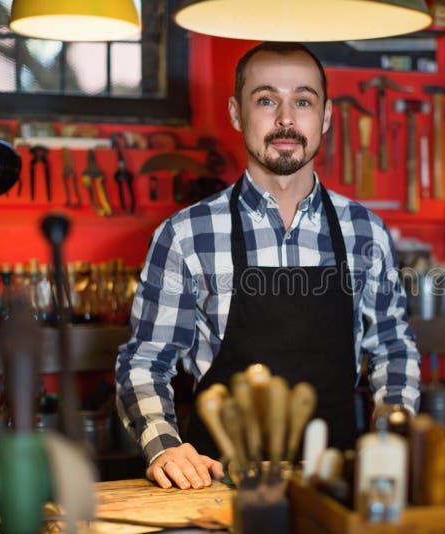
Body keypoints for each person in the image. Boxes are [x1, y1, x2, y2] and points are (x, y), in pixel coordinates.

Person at [116, 41, 421, 491]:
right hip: (218, 487)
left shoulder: (366, 231)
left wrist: (393, 434)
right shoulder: (185, 234)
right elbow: (145, 360)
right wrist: (165, 446)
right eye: (266, 100)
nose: (285, 119)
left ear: (327, 116)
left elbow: (393, 348)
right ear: (237, 114)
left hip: (337, 484)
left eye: (302, 100)